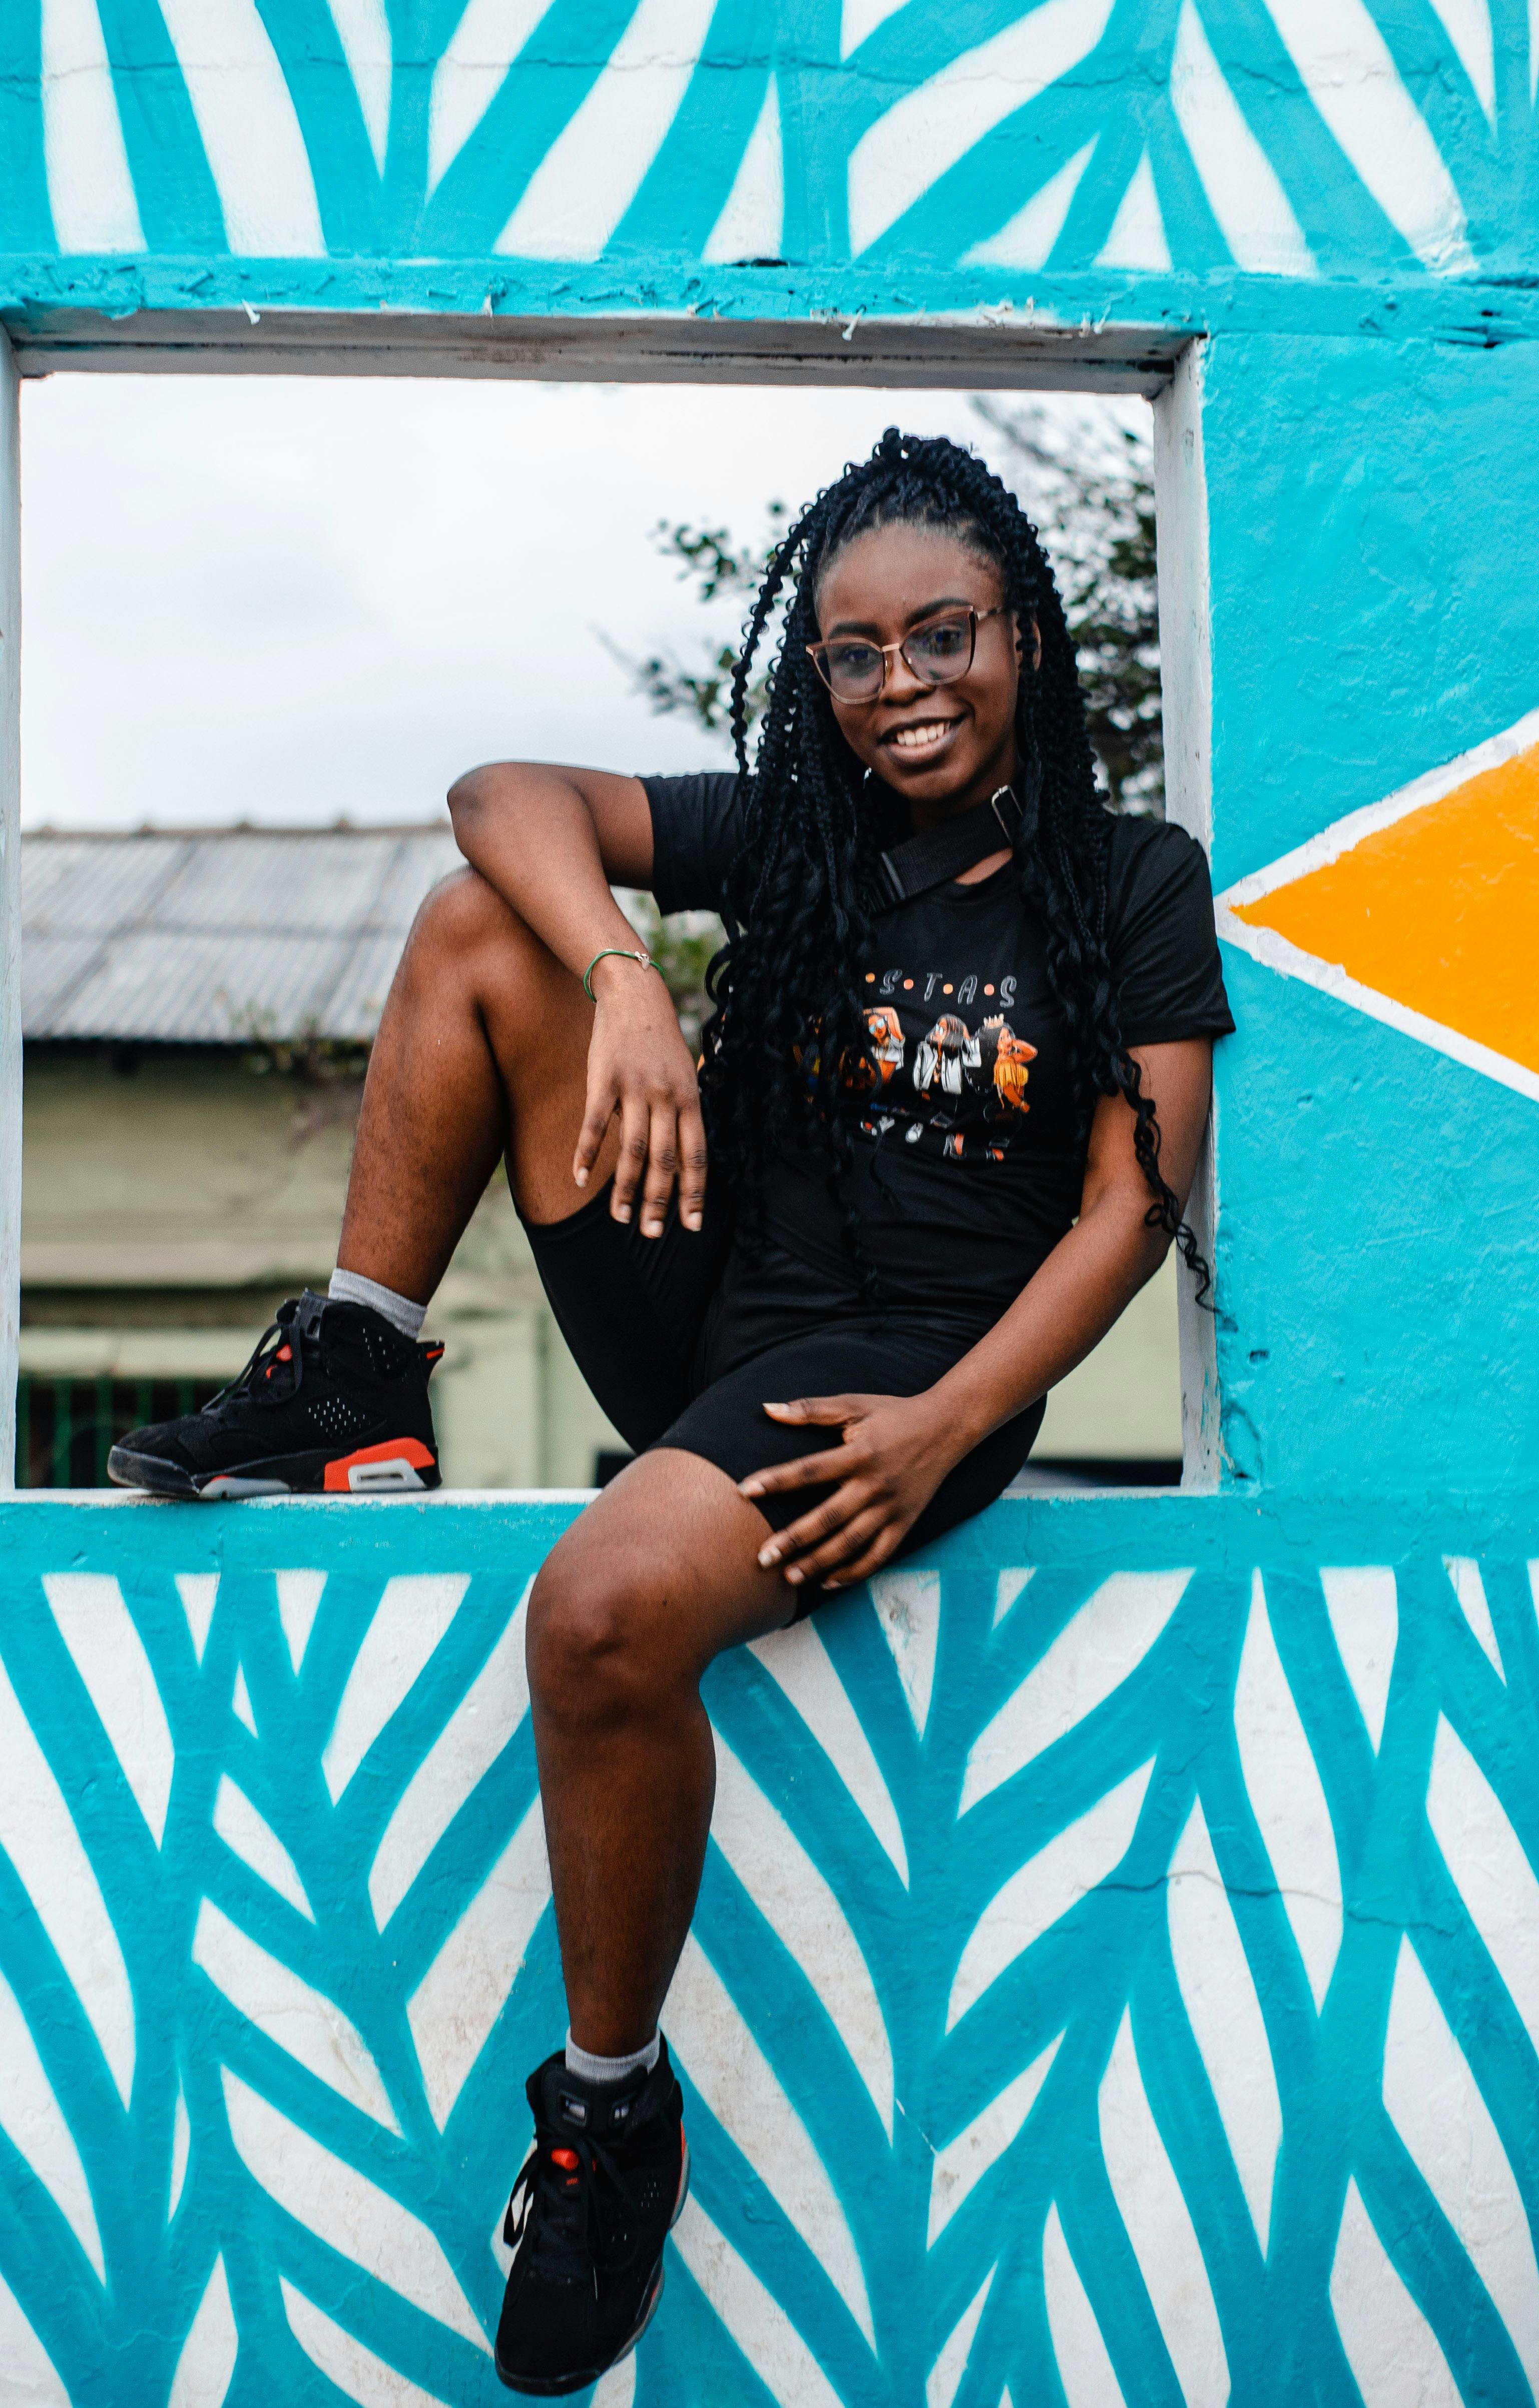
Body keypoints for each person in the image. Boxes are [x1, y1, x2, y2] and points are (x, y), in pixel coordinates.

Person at [110, 429, 1234, 2394]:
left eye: (943, 636)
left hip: (904, 1371)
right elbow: (501, 794)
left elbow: (1130, 1208)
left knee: (603, 1612)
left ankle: (611, 2114)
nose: (900, 685)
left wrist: (952, 1421)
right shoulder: (800, 831)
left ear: (1024, 641)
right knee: (486, 920)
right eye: (853, 653)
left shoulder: (1132, 879)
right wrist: (626, 974)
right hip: (713, 1305)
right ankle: (362, 1360)